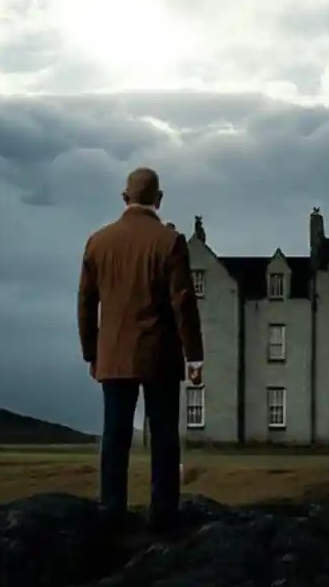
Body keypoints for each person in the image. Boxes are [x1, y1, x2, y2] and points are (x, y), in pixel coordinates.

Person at [77, 166, 204, 533]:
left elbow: (86, 303)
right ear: (159, 200)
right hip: (159, 354)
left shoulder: (98, 242)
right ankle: (163, 516)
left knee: (114, 436)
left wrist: (91, 352)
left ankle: (111, 511)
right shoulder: (169, 242)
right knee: (164, 436)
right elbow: (184, 303)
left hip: (113, 354)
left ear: (124, 198)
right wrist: (194, 355)